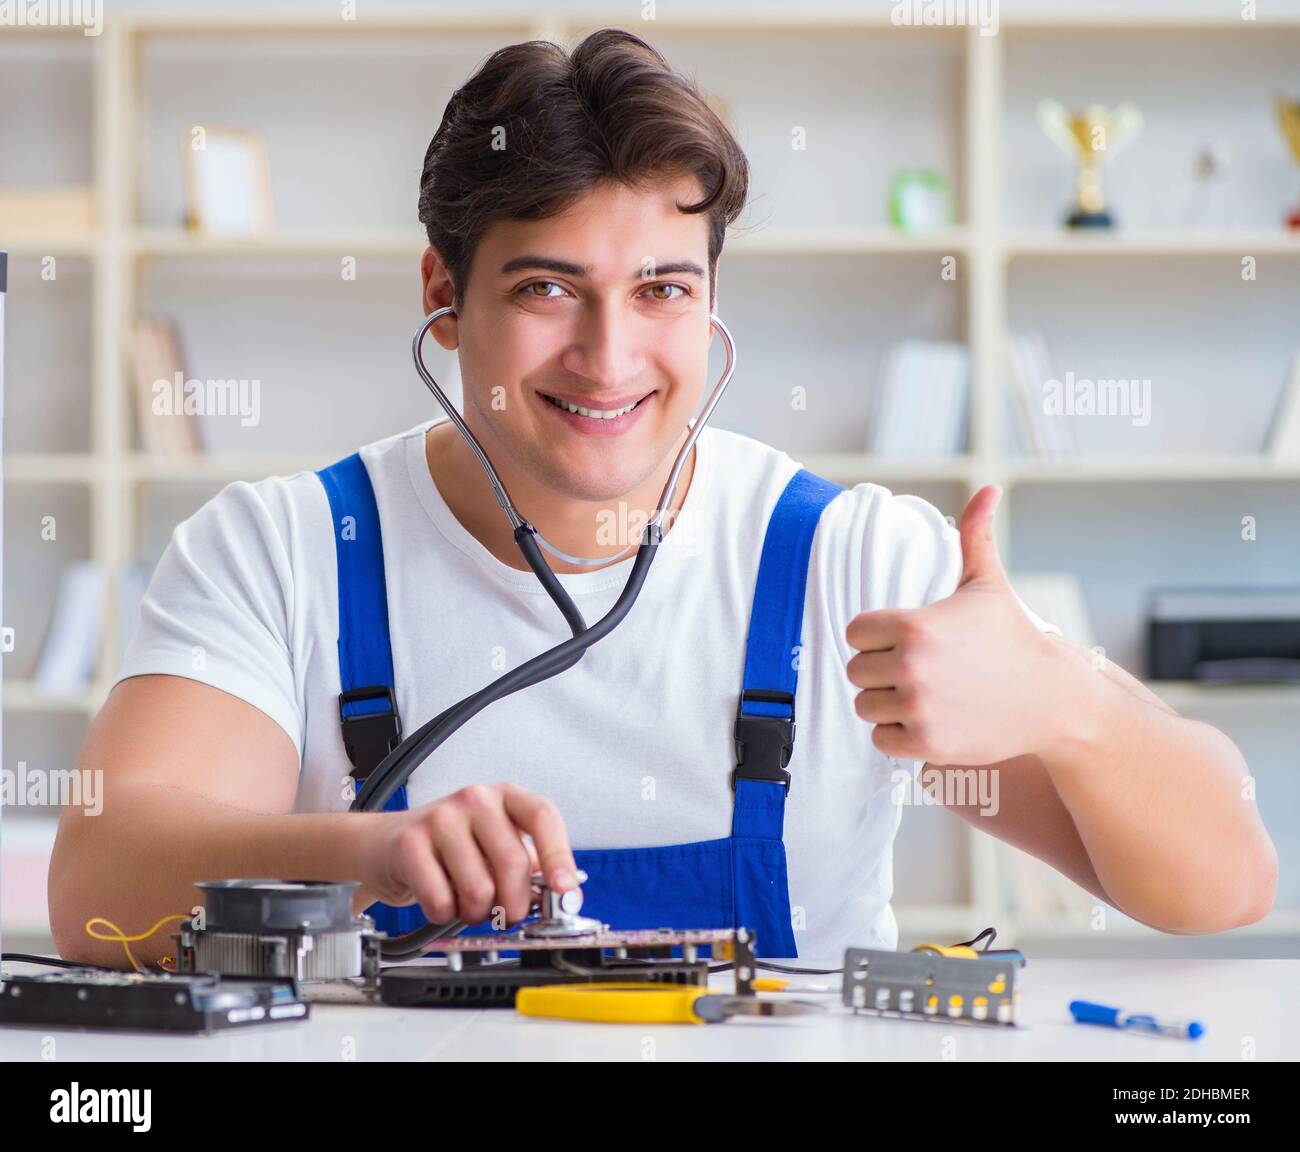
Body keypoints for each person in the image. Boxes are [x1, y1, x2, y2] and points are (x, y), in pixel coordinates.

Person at [50, 29, 1276, 968]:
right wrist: (365, 852)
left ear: (709, 300)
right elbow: (97, 888)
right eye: (545, 289)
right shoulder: (287, 551)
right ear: (443, 294)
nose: (609, 355)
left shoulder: (852, 562)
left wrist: (1070, 707)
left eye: (660, 291)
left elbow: (1226, 885)